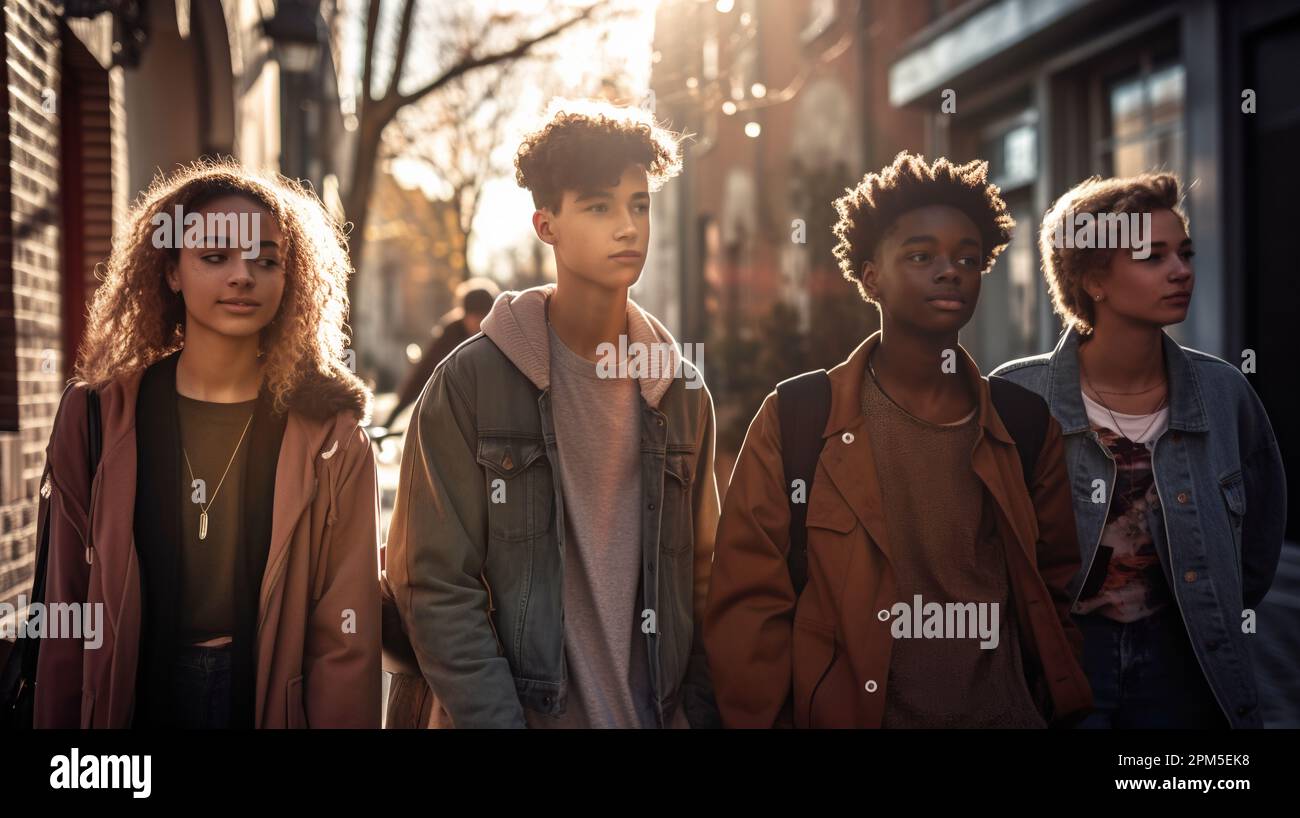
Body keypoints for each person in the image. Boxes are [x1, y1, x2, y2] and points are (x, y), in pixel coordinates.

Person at [705, 151, 1091, 728]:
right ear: (871, 277)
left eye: (967, 257)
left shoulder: (1024, 423)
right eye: (920, 255)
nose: (950, 270)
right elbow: (748, 606)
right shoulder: (798, 417)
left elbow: (1054, 586)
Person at [383, 99, 720, 728]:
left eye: (639, 205)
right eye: (599, 206)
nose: (628, 227)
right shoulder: (470, 384)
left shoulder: (680, 391)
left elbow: (707, 582)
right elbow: (432, 584)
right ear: (547, 225)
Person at [34, 160, 381, 728]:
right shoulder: (95, 416)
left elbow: (346, 636)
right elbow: (64, 604)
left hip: (265, 701)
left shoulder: (333, 438)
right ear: (171, 271)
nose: (243, 276)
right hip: (129, 698)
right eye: (215, 257)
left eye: (266, 260)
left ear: (290, 277)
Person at [991, 173, 1286, 728]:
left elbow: (1258, 542)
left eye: (1185, 252)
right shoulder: (1017, 396)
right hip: (1064, 660)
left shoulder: (1223, 392)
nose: (1181, 271)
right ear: (1092, 278)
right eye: (1152, 256)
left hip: (1190, 656)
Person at [381, 277, 500, 428]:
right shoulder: (450, 334)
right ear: (464, 315)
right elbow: (424, 373)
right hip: (457, 406)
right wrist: (393, 417)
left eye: (483, 316)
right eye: (473, 317)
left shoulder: (499, 334)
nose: (478, 324)